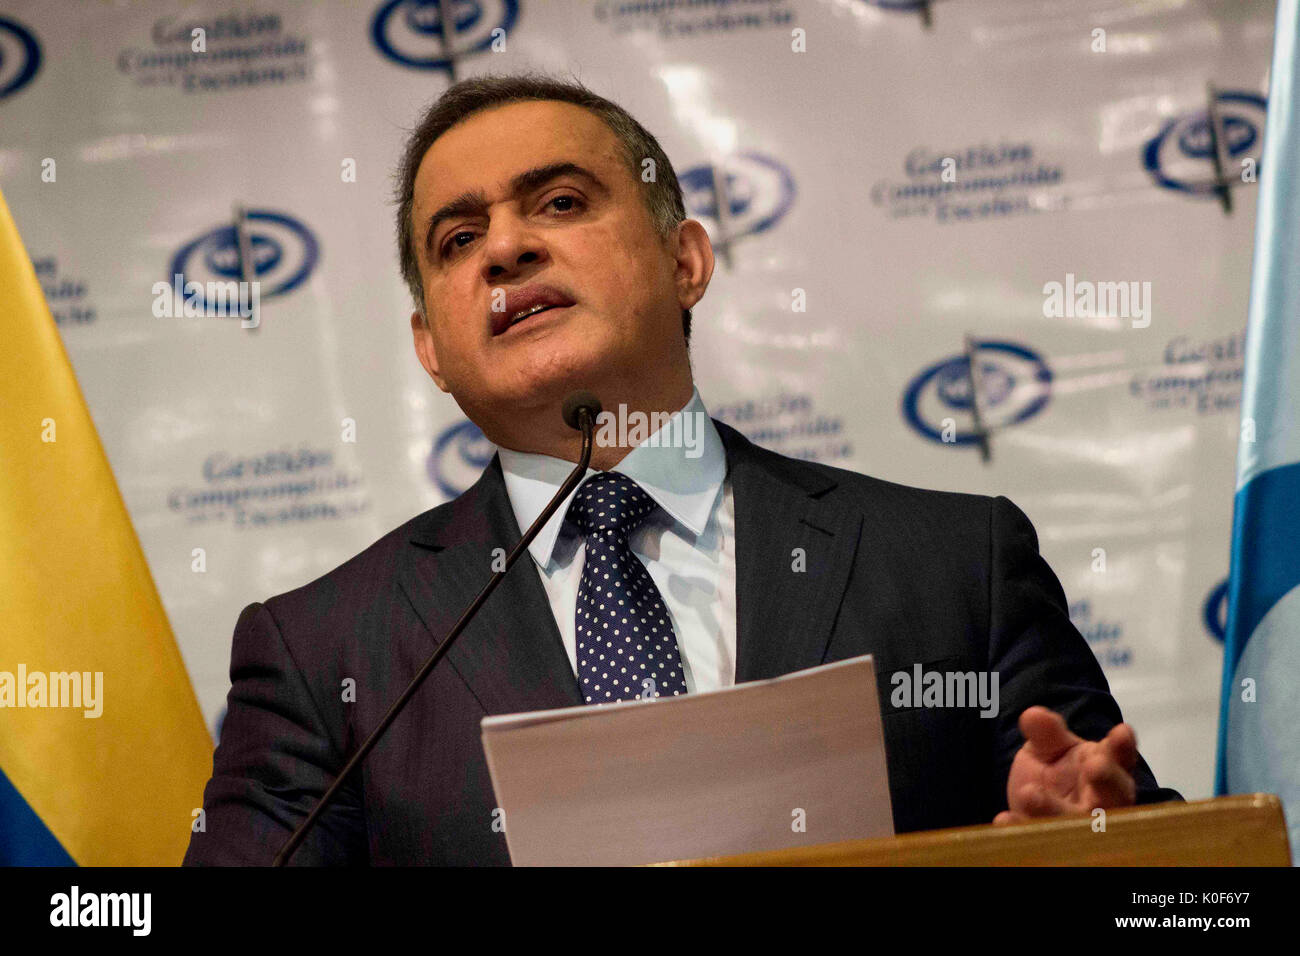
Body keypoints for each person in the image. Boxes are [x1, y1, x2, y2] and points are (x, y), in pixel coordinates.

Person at [184, 73, 1180, 866]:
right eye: (457, 238)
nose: (506, 247)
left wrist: (1100, 840)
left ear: (686, 261)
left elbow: (1183, 882)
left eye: (560, 201)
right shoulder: (322, 653)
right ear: (430, 350)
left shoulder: (956, 563)